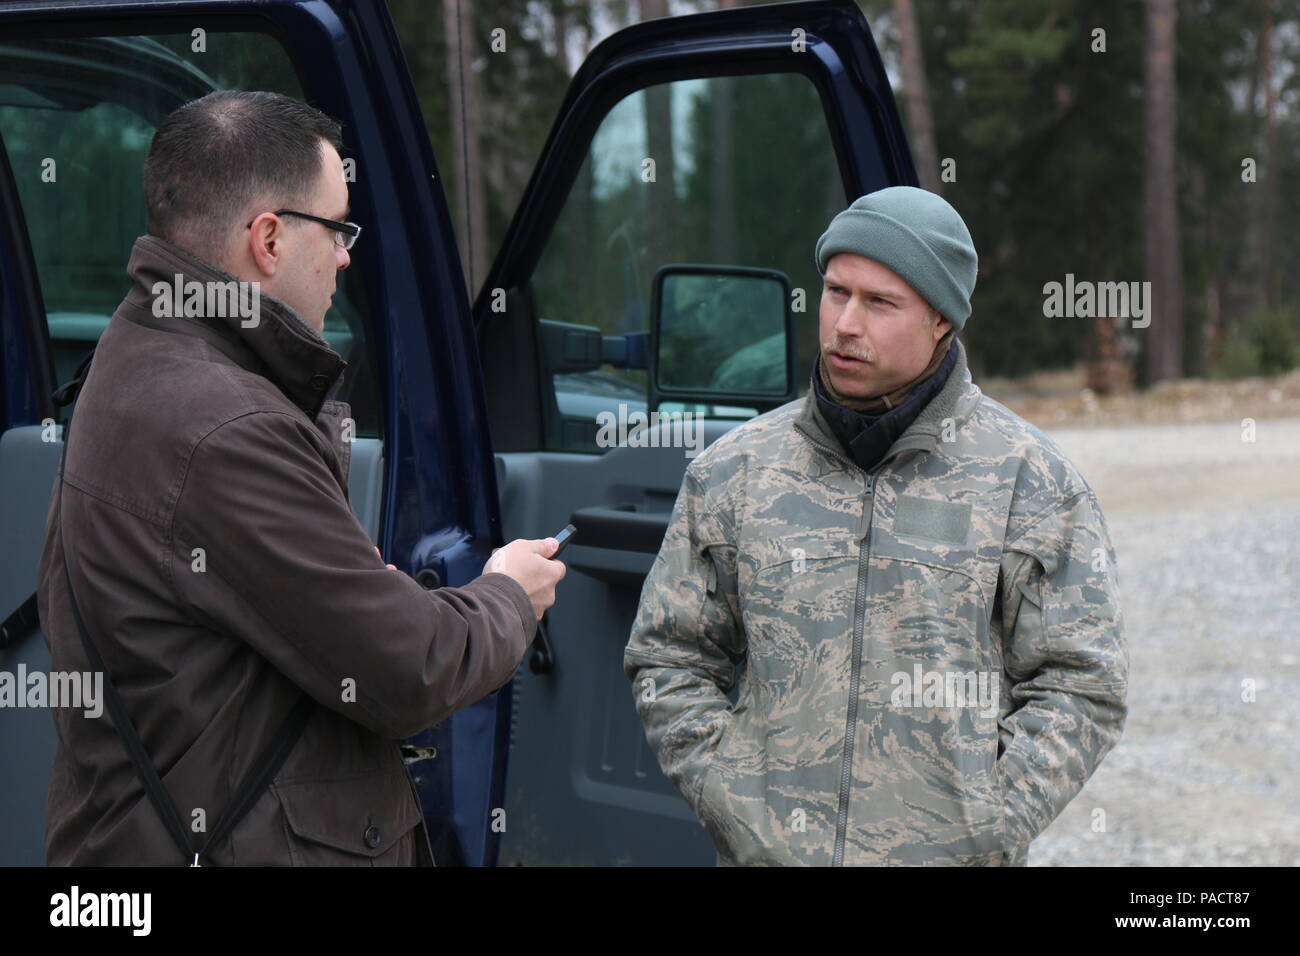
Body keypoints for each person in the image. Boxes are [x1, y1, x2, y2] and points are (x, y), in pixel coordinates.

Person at [36, 90, 564, 865]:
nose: (348, 254)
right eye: (338, 226)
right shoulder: (228, 425)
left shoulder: (140, 348)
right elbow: (410, 668)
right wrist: (509, 595)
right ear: (270, 239)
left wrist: (350, 594)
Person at [625, 186, 1128, 866]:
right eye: (837, 292)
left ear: (942, 319)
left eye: (880, 302)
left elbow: (1081, 683)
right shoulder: (735, 472)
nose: (844, 324)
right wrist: (731, 798)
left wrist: (988, 824)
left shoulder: (1028, 480)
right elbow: (670, 655)